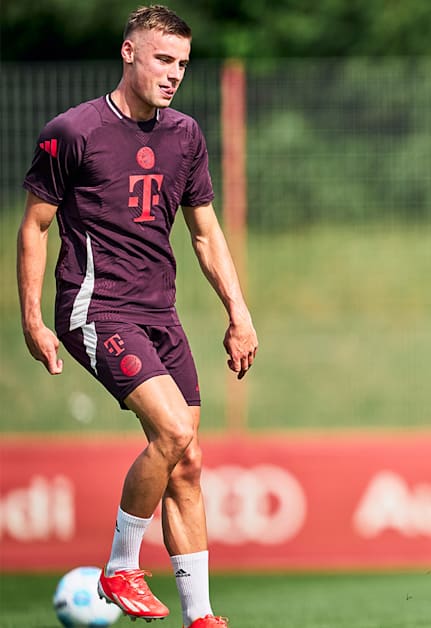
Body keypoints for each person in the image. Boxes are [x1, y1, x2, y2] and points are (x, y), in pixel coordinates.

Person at [17, 6, 256, 628]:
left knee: (188, 461)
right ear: (129, 53)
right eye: (161, 59)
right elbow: (34, 229)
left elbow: (205, 233)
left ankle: (201, 617)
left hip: (160, 313)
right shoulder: (73, 132)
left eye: (181, 62)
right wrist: (33, 320)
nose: (174, 73)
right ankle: (121, 565)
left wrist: (238, 311)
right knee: (174, 432)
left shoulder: (186, 135)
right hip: (95, 307)